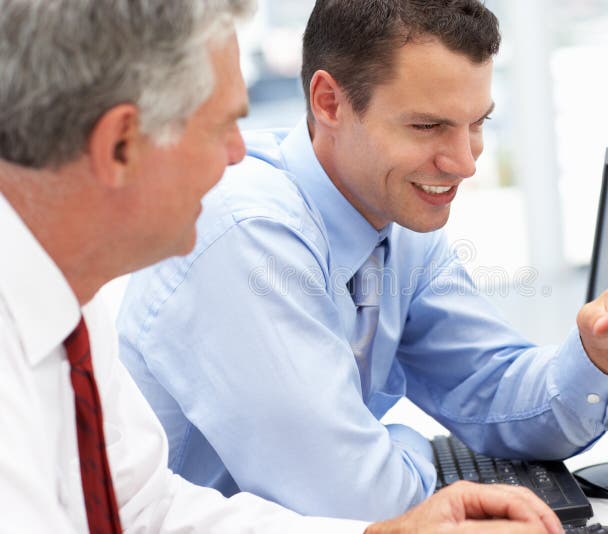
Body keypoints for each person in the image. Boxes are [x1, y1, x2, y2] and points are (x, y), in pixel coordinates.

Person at [116, 0, 608, 523]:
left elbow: (496, 393)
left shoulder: (391, 217)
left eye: (477, 124)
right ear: (329, 102)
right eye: (428, 126)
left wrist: (599, 354)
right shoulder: (247, 234)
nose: (466, 162)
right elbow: (363, 506)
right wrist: (411, 443)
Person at [0, 1, 565, 533]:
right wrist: (412, 452)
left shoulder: (70, 310)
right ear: (121, 144)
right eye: (220, 126)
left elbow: (147, 508)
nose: (238, 153)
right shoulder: (240, 226)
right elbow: (353, 496)